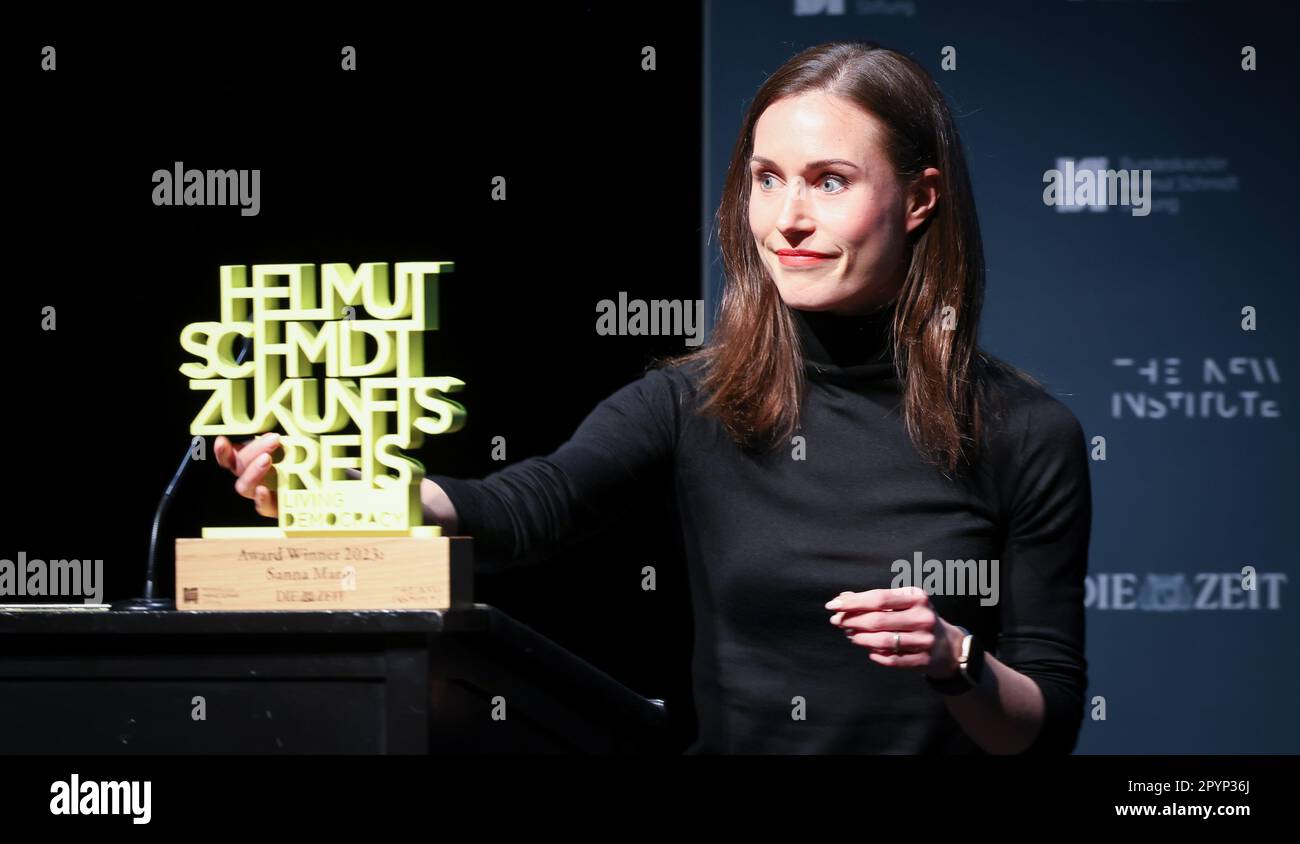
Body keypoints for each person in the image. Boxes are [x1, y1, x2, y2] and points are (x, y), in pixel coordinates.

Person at [215, 40, 1091, 755]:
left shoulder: (1026, 432)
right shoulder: (693, 400)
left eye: (830, 181)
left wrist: (954, 657)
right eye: (766, 177)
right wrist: (340, 493)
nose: (787, 218)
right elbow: (526, 505)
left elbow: (1041, 727)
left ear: (919, 199)